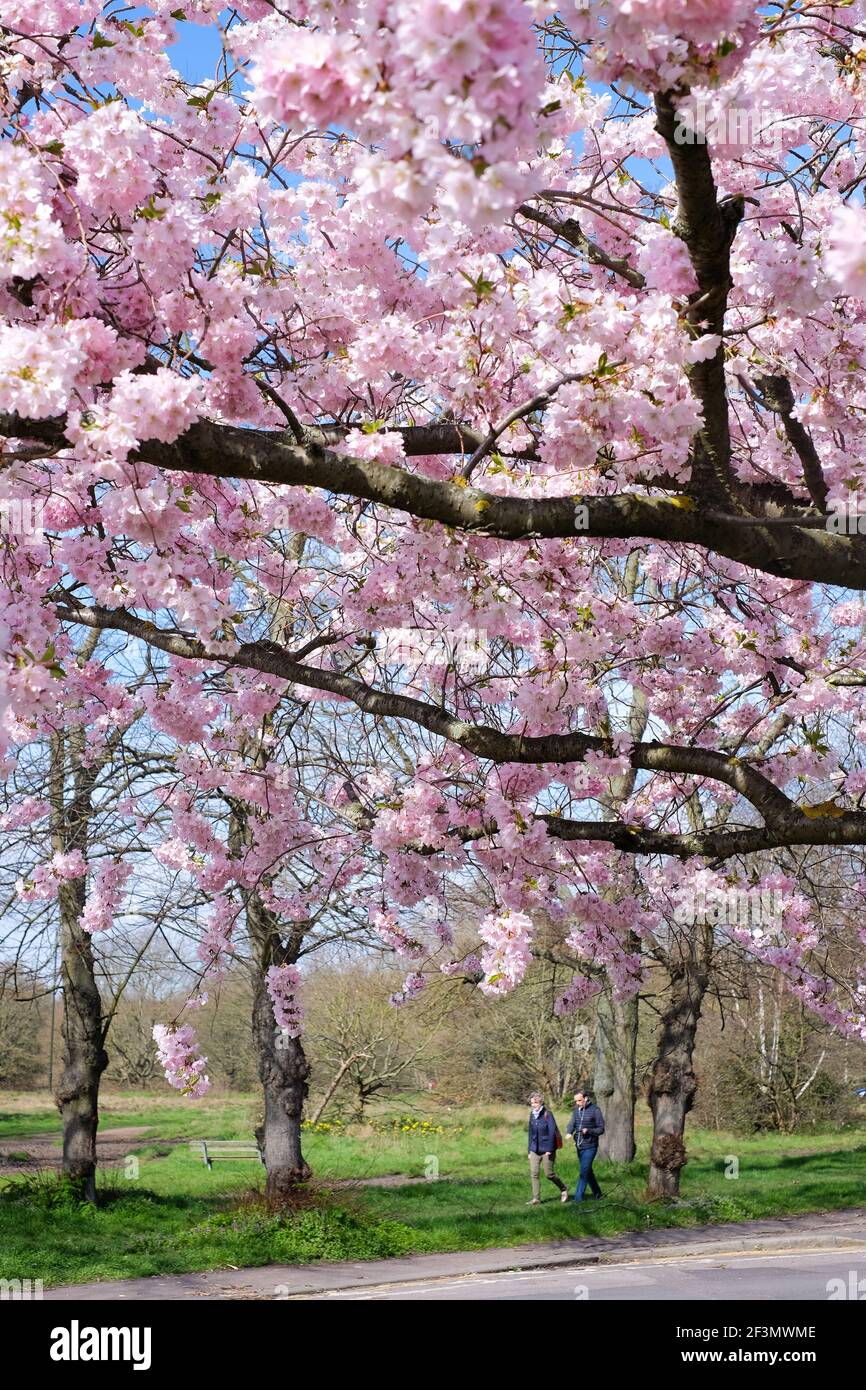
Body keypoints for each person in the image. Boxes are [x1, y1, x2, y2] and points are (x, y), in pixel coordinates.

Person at [526, 1091, 569, 1205]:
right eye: (531, 1103)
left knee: (549, 1174)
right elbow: (530, 1133)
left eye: (535, 1103)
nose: (533, 1105)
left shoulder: (547, 1114)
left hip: (547, 1150)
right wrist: (529, 1150)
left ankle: (563, 1188)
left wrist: (550, 1149)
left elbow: (551, 1132)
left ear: (540, 1102)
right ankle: (536, 1199)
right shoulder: (532, 1115)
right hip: (534, 1149)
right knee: (534, 1173)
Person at [565, 1088, 605, 1202]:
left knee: (583, 1171)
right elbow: (572, 1124)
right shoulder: (576, 1111)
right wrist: (569, 1132)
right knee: (588, 1171)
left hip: (591, 1146)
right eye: (576, 1101)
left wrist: (589, 1130)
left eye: (579, 1100)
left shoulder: (595, 1110)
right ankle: (598, 1194)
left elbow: (601, 1129)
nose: (577, 1103)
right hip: (579, 1146)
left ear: (586, 1099)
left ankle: (578, 1198)